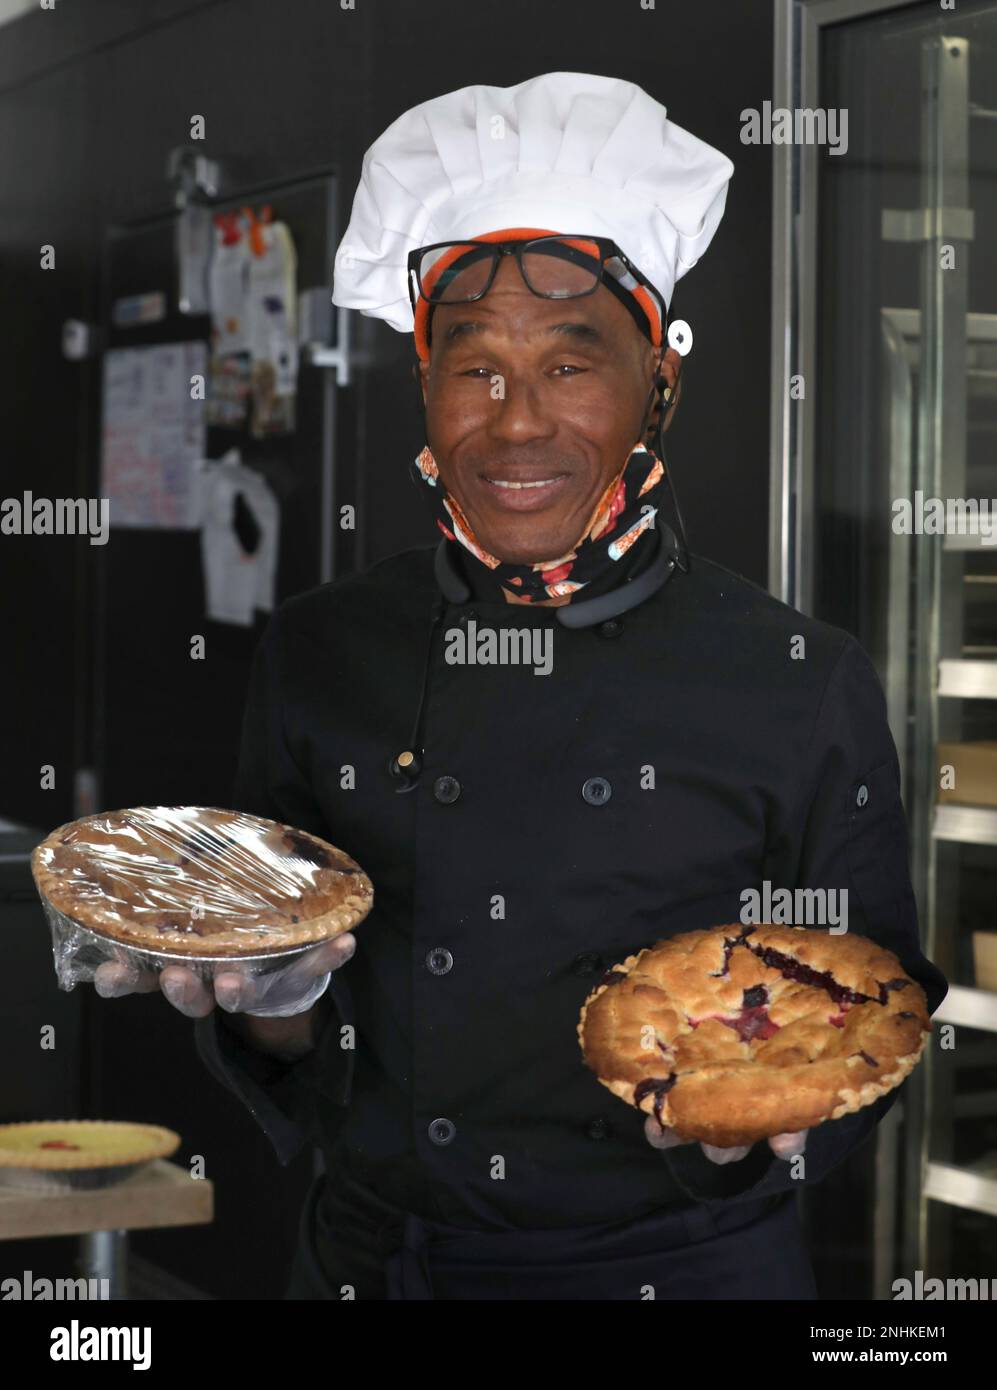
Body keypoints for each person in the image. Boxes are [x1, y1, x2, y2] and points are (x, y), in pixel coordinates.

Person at [94, 72, 947, 1300]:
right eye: (472, 365)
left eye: (569, 361)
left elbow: (871, 1018)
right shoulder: (322, 647)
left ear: (657, 377)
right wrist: (268, 1007)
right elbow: (293, 1027)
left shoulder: (795, 678)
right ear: (423, 389)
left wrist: (744, 1131)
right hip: (369, 1266)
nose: (514, 422)